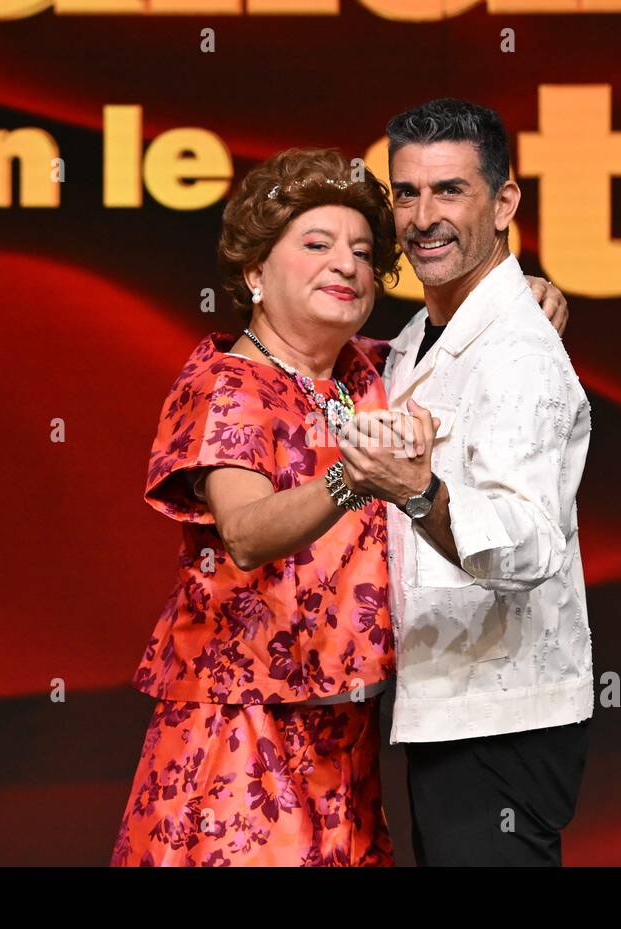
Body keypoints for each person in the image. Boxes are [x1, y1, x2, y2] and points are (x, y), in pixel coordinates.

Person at [109, 145, 569, 866]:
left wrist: (525, 293)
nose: (347, 264)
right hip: (243, 734)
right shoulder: (230, 384)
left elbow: (466, 334)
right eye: (317, 245)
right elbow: (247, 532)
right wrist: (355, 478)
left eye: (361, 251)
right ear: (256, 272)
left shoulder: (371, 368)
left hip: (345, 738)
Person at [338, 99, 595, 866]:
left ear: (505, 202)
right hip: (451, 704)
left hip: (501, 716)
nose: (423, 217)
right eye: (407, 193)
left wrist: (421, 495)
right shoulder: (421, 333)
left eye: (449, 191)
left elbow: (532, 544)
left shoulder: (520, 353)